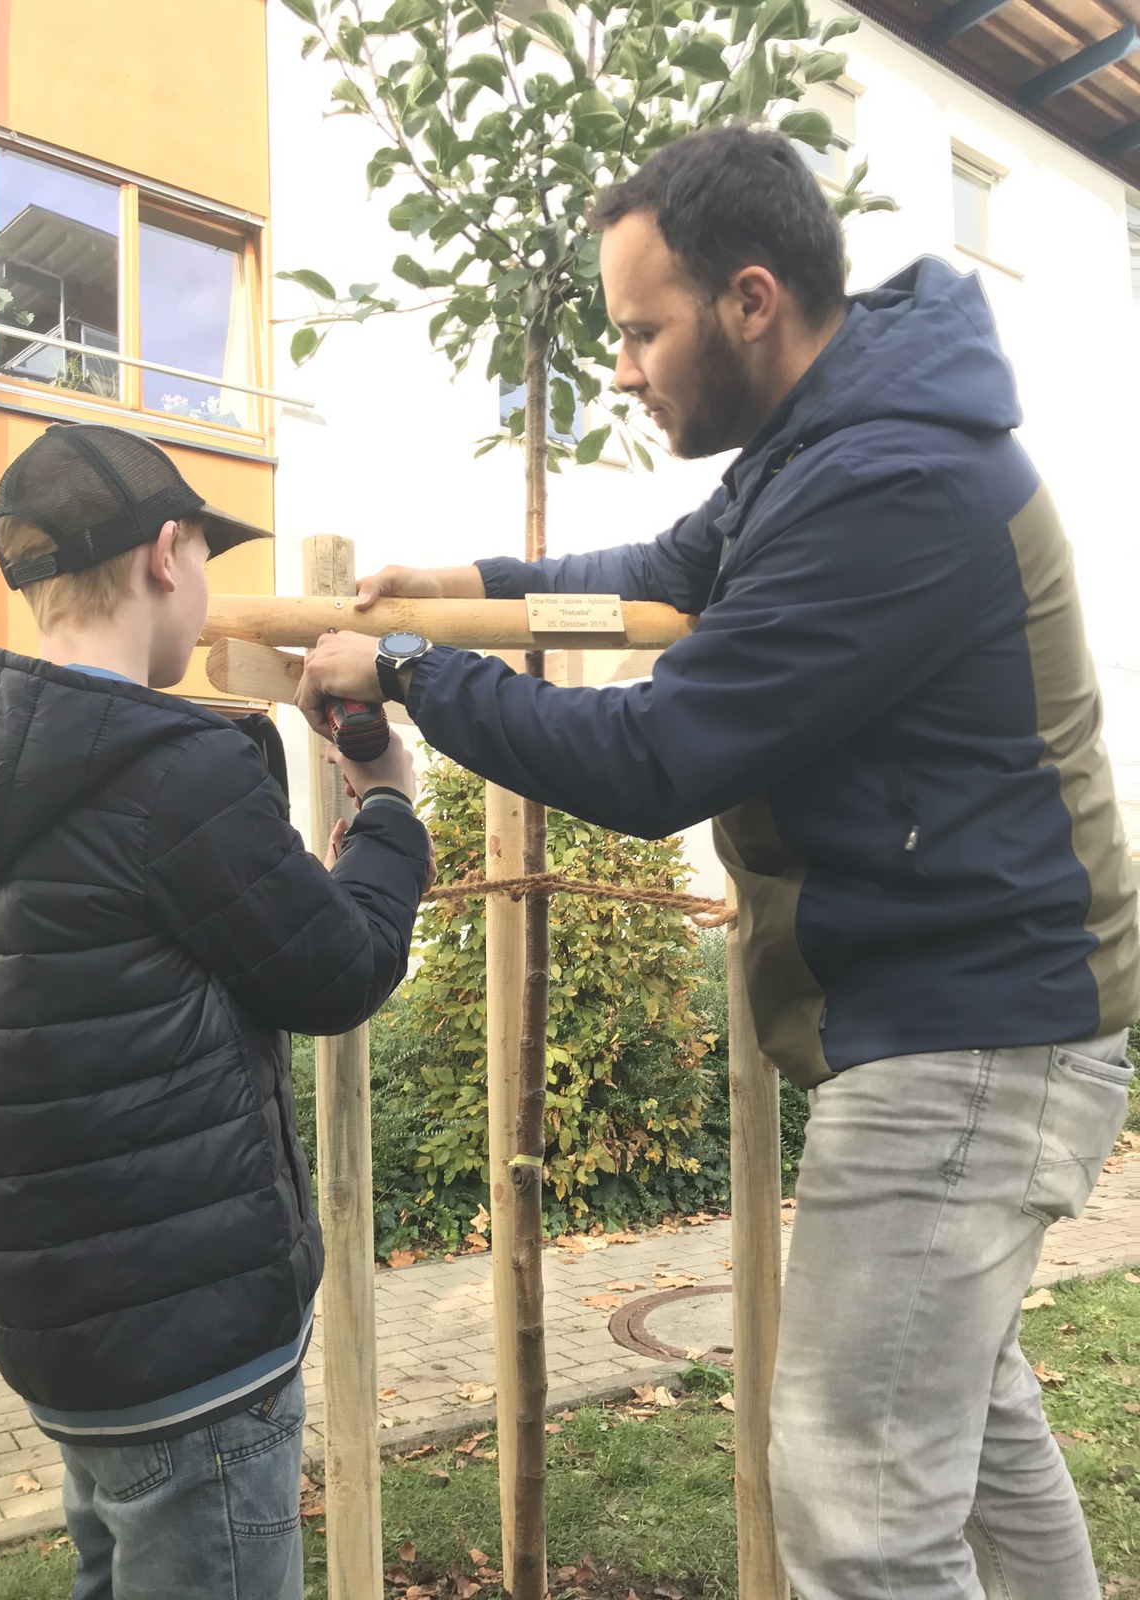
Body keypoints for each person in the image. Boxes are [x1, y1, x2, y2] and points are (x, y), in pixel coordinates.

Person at [293, 125, 1140, 1599]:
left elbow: (657, 756)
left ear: (751, 300)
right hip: (979, 1018)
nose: (622, 369)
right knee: (975, 1439)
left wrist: (418, 671)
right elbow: (663, 573)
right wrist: (471, 587)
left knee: (856, 1498)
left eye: (641, 331)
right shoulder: (827, 445)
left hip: (970, 1037)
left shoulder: (889, 483)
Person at [0, 423, 431, 1600]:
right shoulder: (170, 774)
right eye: (210, 556)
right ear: (167, 554)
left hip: (70, 1344)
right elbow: (339, 972)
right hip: (195, 1345)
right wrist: (388, 807)